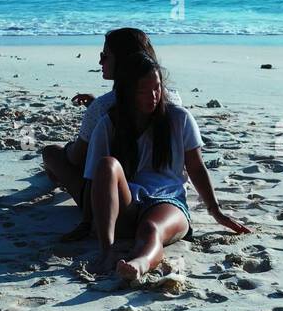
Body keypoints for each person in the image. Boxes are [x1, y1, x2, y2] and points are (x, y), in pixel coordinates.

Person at [85, 51, 250, 279]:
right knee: (107, 165)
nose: (153, 96)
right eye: (143, 90)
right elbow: (94, 180)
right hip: (128, 203)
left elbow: (196, 167)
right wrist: (90, 221)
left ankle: (140, 264)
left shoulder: (179, 118)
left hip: (167, 201)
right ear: (127, 92)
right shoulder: (109, 124)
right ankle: (107, 251)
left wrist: (216, 211)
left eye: (157, 88)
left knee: (151, 229)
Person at [41, 28, 177, 241]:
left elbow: (78, 157)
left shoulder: (104, 109)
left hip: (116, 194)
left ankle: (53, 173)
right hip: (162, 191)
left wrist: (68, 149)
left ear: (122, 61)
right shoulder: (173, 101)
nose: (100, 62)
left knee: (52, 153)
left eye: (105, 56)